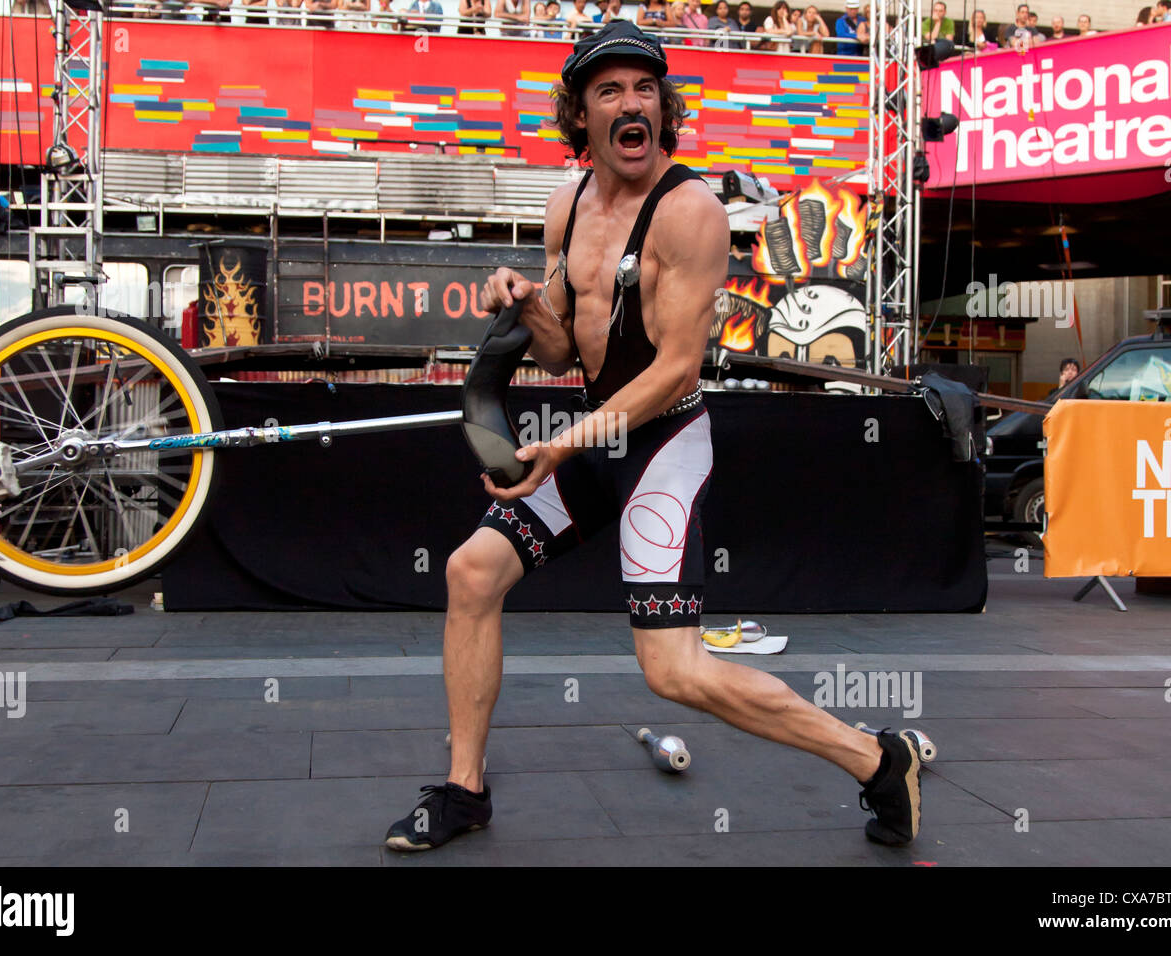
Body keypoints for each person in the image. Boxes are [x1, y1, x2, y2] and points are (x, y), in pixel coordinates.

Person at [382, 18, 923, 854]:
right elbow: (565, 345)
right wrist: (525, 304)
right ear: (581, 114)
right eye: (610, 91)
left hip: (662, 443)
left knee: (673, 671)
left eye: (645, 89)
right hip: (598, 437)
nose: (632, 104)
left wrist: (565, 443)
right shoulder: (567, 204)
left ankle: (877, 761)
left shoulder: (691, 211)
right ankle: (464, 791)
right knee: (472, 571)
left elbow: (675, 369)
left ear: (663, 108)